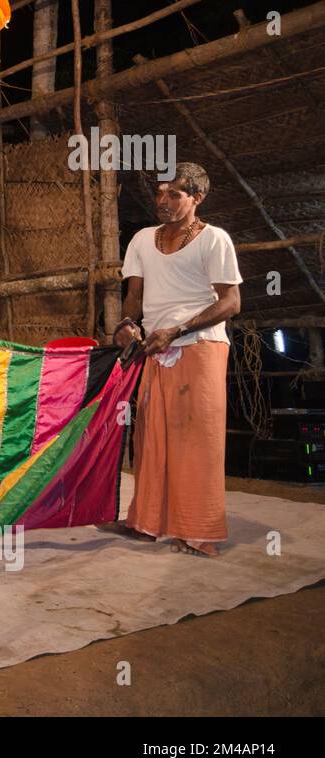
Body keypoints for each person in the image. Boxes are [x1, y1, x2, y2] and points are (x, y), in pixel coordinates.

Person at [115, 163, 242, 557]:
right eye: (161, 193)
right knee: (151, 436)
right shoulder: (141, 239)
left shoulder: (214, 240)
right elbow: (135, 296)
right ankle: (148, 522)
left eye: (175, 195)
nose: (163, 201)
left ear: (197, 199)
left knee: (196, 440)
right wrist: (126, 324)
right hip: (155, 348)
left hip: (200, 345)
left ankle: (199, 532)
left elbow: (231, 303)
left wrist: (175, 331)